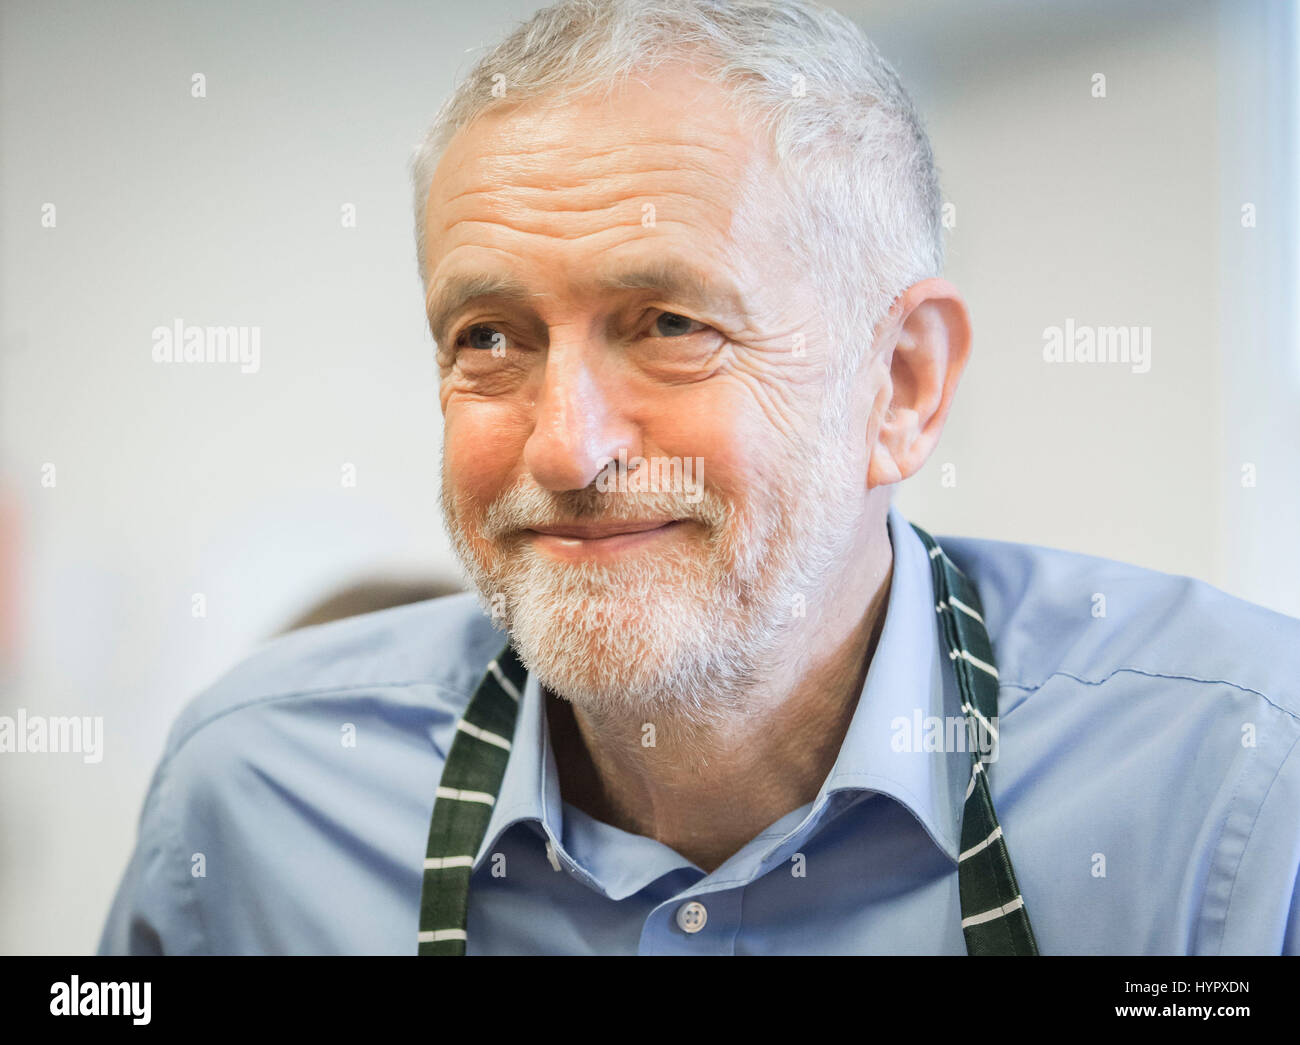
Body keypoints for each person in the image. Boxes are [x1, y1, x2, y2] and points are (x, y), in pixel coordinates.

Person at [99, 0, 1300, 955]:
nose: (564, 449)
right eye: (488, 338)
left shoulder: (1233, 792)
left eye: (669, 322)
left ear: (903, 385)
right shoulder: (256, 802)